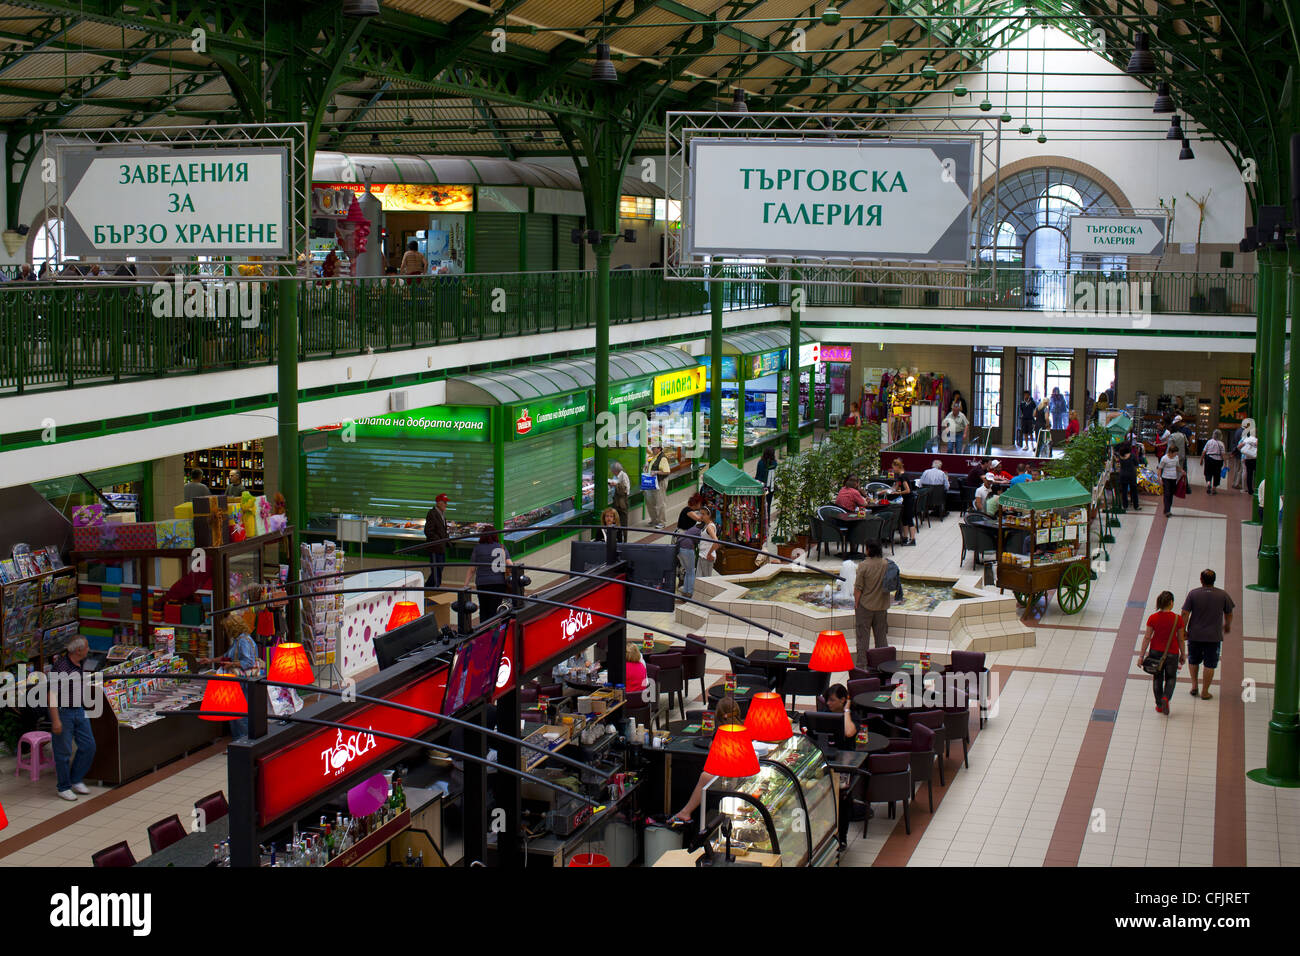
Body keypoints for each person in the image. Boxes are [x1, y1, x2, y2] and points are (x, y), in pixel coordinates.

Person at [671, 697, 746, 823]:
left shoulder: (721, 732)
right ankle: (685, 812)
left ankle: (685, 812)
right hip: (739, 772)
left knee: (705, 777)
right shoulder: (742, 728)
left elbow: (713, 748)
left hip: (729, 776)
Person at [48, 637, 96, 801]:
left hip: (79, 709)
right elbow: (51, 694)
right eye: (87, 647)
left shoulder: (80, 662)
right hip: (64, 712)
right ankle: (64, 786)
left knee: (89, 746)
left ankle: (76, 779)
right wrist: (56, 720)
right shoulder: (61, 668)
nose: (88, 650)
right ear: (78, 650)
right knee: (63, 752)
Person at [822, 683, 866, 848]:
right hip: (829, 761)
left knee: (843, 801)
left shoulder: (853, 716)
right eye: (827, 700)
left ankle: (843, 837)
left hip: (846, 764)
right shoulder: (825, 714)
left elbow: (849, 732)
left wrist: (846, 710)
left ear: (843, 700)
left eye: (832, 700)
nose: (828, 704)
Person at [1180, 569, 1234, 701]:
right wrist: (1227, 625)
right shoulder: (1223, 595)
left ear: (1201, 580)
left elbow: (1185, 614)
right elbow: (1229, 613)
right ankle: (1205, 691)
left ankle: (1194, 686)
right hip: (1213, 636)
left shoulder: (1193, 594)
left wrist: (1183, 631)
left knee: (1193, 660)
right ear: (1214, 580)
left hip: (1195, 634)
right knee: (1210, 664)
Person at [208, 616, 264, 739]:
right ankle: (239, 739)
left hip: (242, 682)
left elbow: (248, 662)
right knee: (236, 711)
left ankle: (243, 740)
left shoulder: (243, 641)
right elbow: (227, 656)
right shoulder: (240, 640)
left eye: (227, 628)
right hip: (239, 682)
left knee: (239, 712)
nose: (225, 631)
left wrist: (231, 664)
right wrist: (211, 660)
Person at [1136, 590, 1185, 715]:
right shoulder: (1177, 619)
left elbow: (1147, 637)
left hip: (1155, 653)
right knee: (1171, 677)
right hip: (1172, 653)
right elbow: (1180, 638)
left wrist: (1141, 656)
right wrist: (1183, 654)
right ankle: (1166, 697)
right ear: (1171, 603)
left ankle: (1159, 705)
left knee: (1157, 677)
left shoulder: (1153, 618)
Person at [853, 541, 891, 659]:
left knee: (862, 639)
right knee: (881, 639)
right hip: (882, 606)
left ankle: (862, 667)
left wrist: (856, 603)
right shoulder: (886, 564)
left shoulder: (864, 565)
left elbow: (858, 588)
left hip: (865, 606)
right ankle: (882, 666)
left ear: (868, 549)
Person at [468, 532, 513, 623]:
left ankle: (483, 631)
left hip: (482, 583)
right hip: (498, 582)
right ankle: (495, 630)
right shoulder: (501, 547)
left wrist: (465, 584)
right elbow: (510, 564)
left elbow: (472, 569)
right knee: (496, 608)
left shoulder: (478, 548)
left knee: (484, 609)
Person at [677, 504, 703, 598]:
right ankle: (690, 592)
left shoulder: (692, 529)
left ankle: (685, 591)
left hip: (680, 547)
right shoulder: (700, 529)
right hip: (687, 548)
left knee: (687, 570)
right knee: (691, 571)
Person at [889, 458, 916, 546]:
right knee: (904, 519)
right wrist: (887, 491)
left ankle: (912, 539)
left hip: (909, 499)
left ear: (897, 466)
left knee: (908, 519)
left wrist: (898, 492)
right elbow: (895, 487)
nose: (893, 470)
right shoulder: (901, 476)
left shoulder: (903, 476)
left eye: (893, 467)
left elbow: (908, 490)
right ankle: (905, 537)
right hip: (906, 499)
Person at [424, 493, 450, 587]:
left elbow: (443, 530)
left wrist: (447, 541)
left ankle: (429, 587)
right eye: (445, 502)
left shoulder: (442, 515)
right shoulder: (432, 514)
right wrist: (438, 541)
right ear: (439, 503)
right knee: (436, 569)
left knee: (439, 568)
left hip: (441, 547)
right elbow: (428, 531)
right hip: (435, 547)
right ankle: (434, 586)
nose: (446, 504)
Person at [645, 445, 672, 529]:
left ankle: (662, 522)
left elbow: (667, 471)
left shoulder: (662, 458)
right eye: (652, 448)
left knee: (660, 502)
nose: (652, 450)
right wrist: (647, 468)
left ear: (659, 449)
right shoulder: (654, 456)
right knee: (650, 501)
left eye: (654, 448)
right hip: (652, 482)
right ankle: (654, 520)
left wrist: (656, 472)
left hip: (660, 482)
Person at [1157, 444, 1185, 518]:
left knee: (1171, 494)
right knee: (1167, 494)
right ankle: (1167, 510)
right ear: (1170, 452)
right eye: (1175, 453)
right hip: (1166, 478)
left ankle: (1168, 508)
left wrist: (1182, 471)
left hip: (1173, 478)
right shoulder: (1164, 458)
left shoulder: (1176, 458)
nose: (1176, 455)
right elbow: (1160, 468)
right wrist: (1159, 478)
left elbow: (1177, 466)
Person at [1115, 437, 1141, 510]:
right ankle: (1136, 505)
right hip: (1131, 474)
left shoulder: (1120, 455)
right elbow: (1136, 464)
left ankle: (1125, 505)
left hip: (1123, 474)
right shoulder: (1132, 455)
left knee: (1124, 491)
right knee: (1134, 490)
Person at [607, 462, 630, 541]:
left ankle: (624, 539)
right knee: (616, 520)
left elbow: (626, 489)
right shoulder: (615, 476)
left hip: (622, 501)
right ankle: (618, 537)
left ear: (615, 470)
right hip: (616, 500)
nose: (611, 471)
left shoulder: (623, 475)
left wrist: (615, 485)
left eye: (612, 470)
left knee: (623, 521)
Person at [754, 447, 778, 522]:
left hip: (760, 486)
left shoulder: (760, 462)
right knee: (768, 504)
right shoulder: (774, 463)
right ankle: (767, 522)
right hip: (770, 487)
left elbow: (757, 475)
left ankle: (760, 521)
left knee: (760, 505)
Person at [1201, 428, 1226, 496]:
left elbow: (1204, 451)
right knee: (1216, 474)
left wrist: (1201, 460)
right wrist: (1225, 464)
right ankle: (1214, 489)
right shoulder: (1221, 444)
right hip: (1218, 460)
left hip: (1209, 459)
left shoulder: (1209, 442)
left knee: (1208, 472)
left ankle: (1208, 483)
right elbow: (1223, 454)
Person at [697, 505, 719, 578]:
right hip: (703, 555)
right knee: (700, 578)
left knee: (705, 579)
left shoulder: (709, 527)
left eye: (703, 514)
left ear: (709, 515)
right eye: (701, 514)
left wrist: (709, 553)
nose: (701, 516)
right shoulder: (706, 525)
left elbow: (717, 542)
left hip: (706, 557)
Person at [1238, 420, 1258, 495]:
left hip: (1247, 459)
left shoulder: (1246, 439)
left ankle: (1249, 490)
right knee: (1256, 473)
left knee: (1249, 474)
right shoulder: (1256, 440)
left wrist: (1243, 450)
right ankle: (1257, 488)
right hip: (1255, 459)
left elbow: (1238, 447)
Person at [1228, 421, 1245, 490]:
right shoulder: (1244, 432)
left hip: (1236, 452)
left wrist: (1233, 452)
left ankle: (1234, 482)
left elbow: (1233, 442)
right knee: (1241, 469)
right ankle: (1237, 484)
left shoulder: (1237, 430)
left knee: (1236, 468)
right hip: (1241, 452)